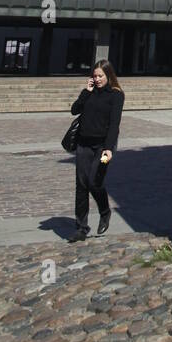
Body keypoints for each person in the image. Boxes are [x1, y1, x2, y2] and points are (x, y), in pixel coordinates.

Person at [68, 60, 124, 241]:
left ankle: (104, 211)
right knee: (82, 185)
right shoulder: (89, 93)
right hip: (83, 144)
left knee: (95, 181)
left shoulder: (116, 95)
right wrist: (86, 92)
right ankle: (81, 227)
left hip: (103, 147)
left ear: (109, 76)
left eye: (101, 76)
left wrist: (108, 149)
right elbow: (74, 110)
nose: (97, 79)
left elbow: (114, 125)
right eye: (95, 76)